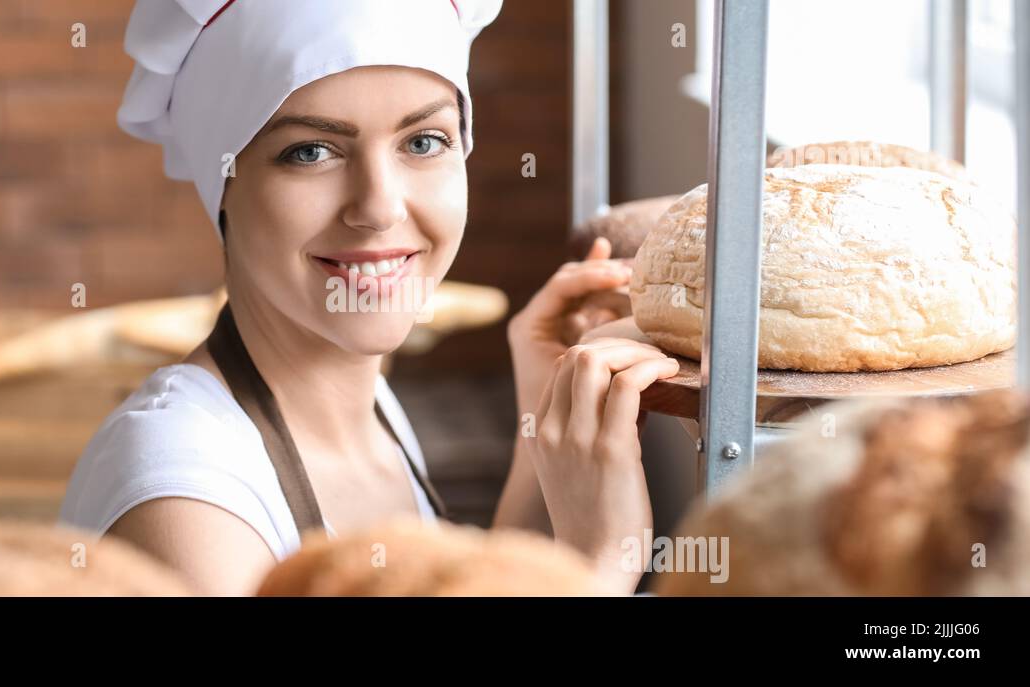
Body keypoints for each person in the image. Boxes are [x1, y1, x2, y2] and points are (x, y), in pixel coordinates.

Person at [59, 0, 679, 596]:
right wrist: (600, 567)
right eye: (310, 152)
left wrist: (541, 416)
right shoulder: (183, 496)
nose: (380, 208)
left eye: (423, 142)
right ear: (223, 182)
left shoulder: (363, 404)